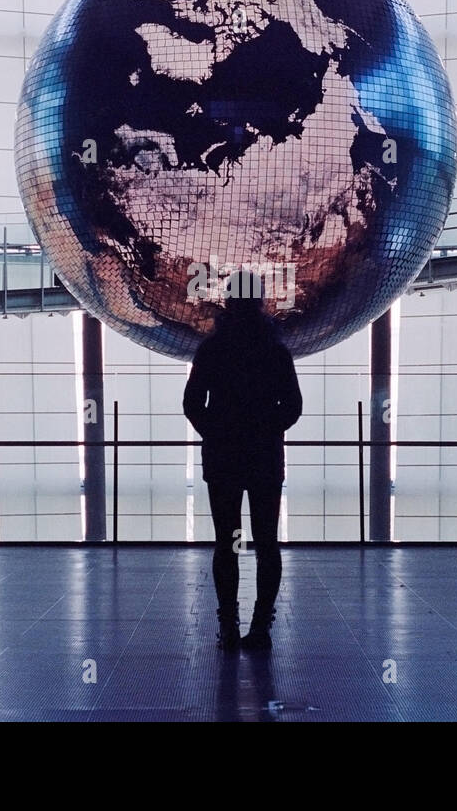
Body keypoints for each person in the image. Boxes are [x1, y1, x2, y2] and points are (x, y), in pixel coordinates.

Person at [183, 270, 302, 652]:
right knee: (267, 542)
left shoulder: (213, 349)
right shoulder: (275, 350)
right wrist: (266, 430)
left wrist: (217, 432)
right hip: (264, 457)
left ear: (229, 301)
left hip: (223, 458)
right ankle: (261, 627)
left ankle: (228, 624)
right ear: (261, 301)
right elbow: (293, 407)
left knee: (227, 543)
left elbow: (191, 404)